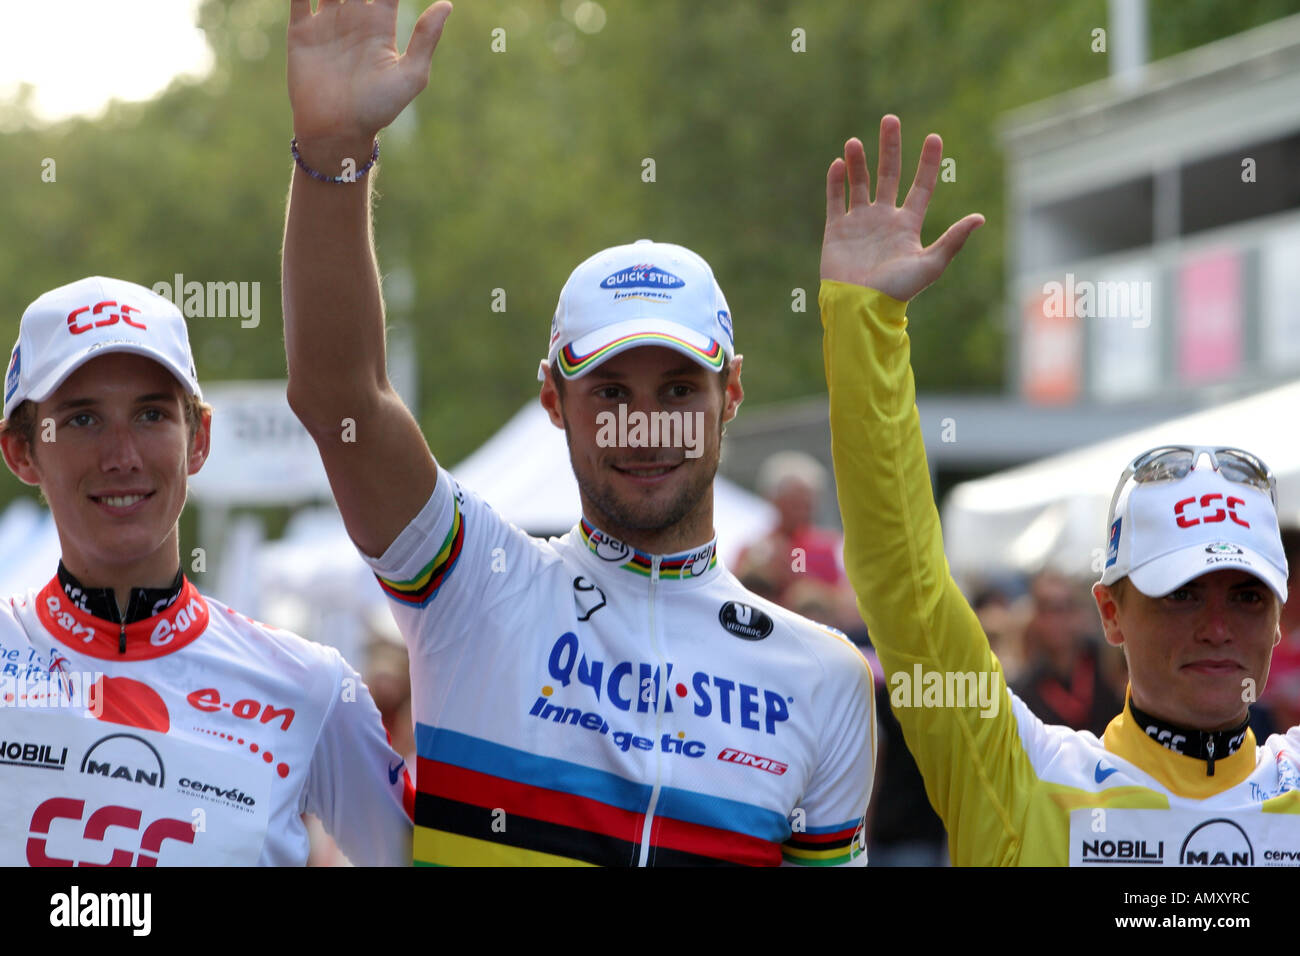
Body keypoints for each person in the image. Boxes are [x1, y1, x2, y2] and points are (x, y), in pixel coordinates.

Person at [282, 0, 874, 866]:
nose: (644, 423)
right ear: (554, 402)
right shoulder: (476, 588)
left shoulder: (825, 679)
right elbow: (343, 398)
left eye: (678, 387)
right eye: (609, 390)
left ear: (732, 393)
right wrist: (335, 151)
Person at [819, 114, 1300, 866]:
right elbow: (904, 585)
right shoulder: (1026, 774)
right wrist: (866, 324)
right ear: (1109, 609)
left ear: (1280, 618)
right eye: (1181, 591)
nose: (1216, 626)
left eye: (1246, 595)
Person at [0, 276, 412, 866]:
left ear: (199, 440)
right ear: (21, 451)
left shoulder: (311, 687)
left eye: (150, 415)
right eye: (82, 420)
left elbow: (414, 858)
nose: (122, 456)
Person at [1011, 569, 1125, 735]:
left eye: (1063, 608)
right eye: (1045, 609)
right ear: (1034, 617)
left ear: (1077, 612)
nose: (1055, 620)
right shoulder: (1025, 689)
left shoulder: (1109, 663)